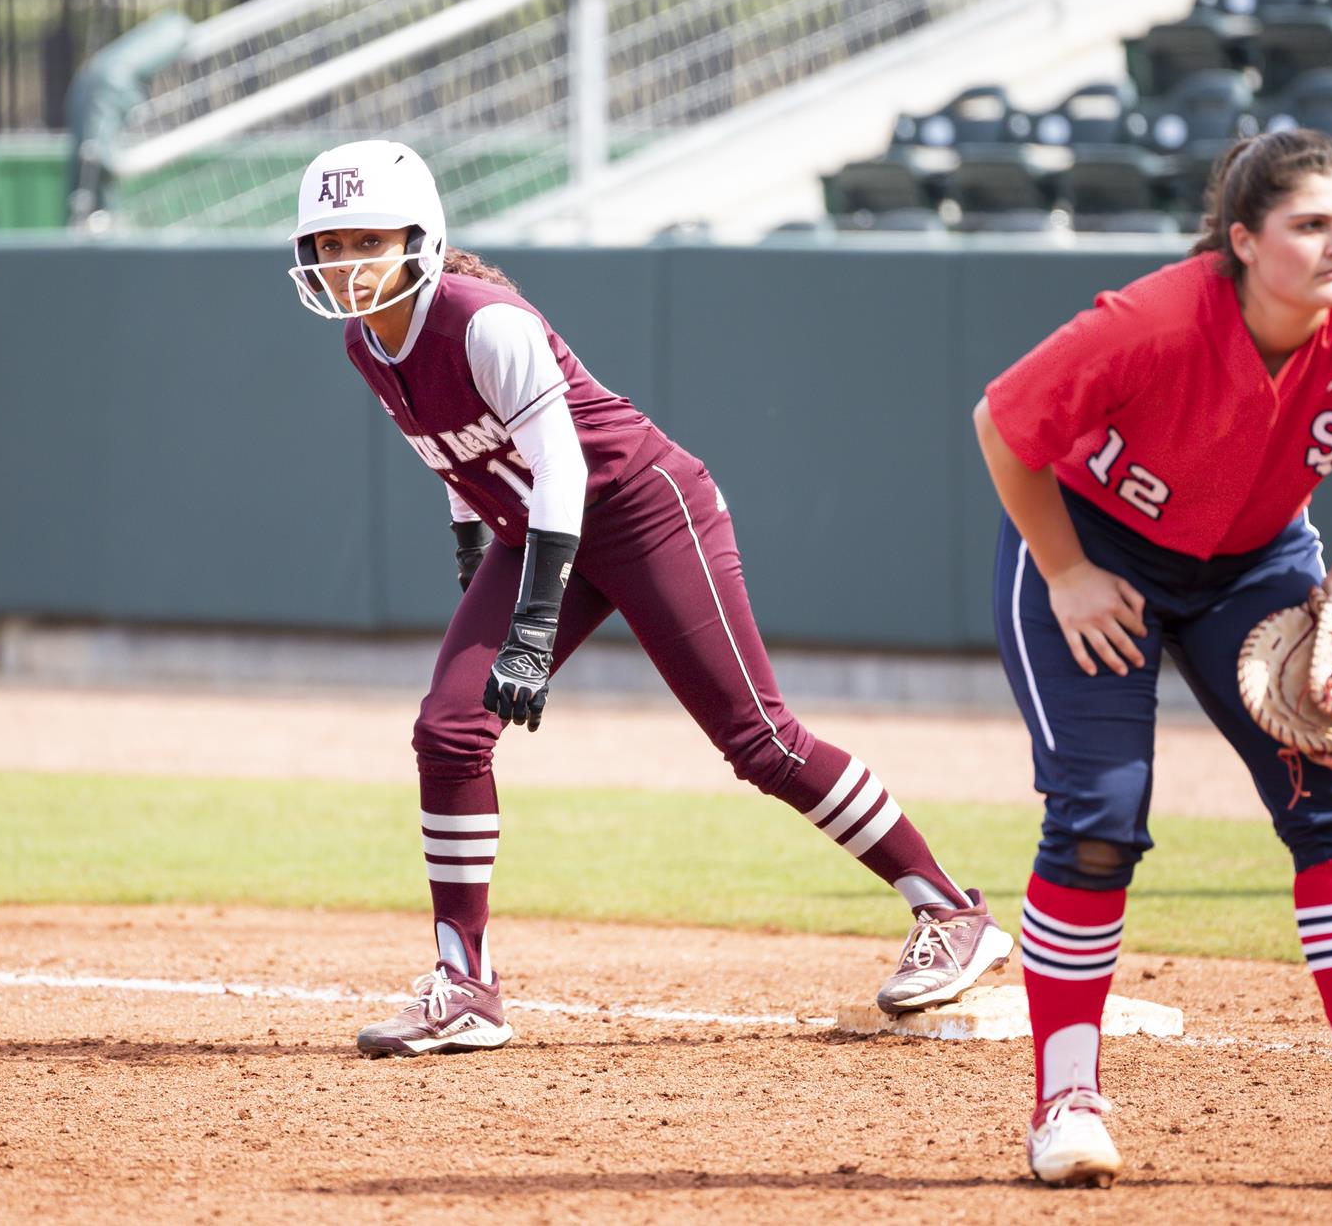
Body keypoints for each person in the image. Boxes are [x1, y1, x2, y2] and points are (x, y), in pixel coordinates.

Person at [289, 139, 1013, 1059]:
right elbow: (450, 446)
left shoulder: (484, 320)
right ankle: (465, 984)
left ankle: (951, 910)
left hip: (642, 507)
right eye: (331, 244)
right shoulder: (366, 340)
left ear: (420, 235)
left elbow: (562, 463)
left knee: (760, 740)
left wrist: (532, 626)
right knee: (449, 730)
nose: (347, 266)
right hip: (534, 526)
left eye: (367, 241)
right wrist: (473, 547)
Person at [974, 129, 1332, 1189]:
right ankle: (1064, 1100)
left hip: (1255, 559)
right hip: (1092, 546)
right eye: (1308, 224)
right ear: (1243, 240)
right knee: (1096, 818)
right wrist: (1063, 569)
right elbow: (1002, 424)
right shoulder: (1154, 320)